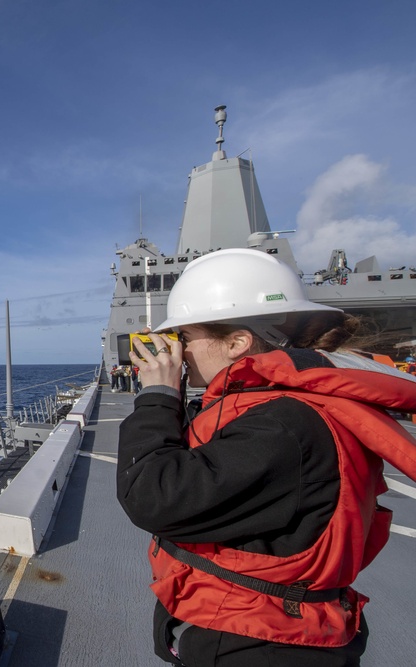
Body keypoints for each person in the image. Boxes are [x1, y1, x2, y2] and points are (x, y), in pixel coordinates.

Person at [116, 248, 416, 666]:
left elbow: (154, 495)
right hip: (262, 626)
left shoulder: (283, 425)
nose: (178, 351)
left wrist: (157, 396)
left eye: (184, 338)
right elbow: (209, 449)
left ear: (237, 342)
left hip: (259, 639)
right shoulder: (282, 406)